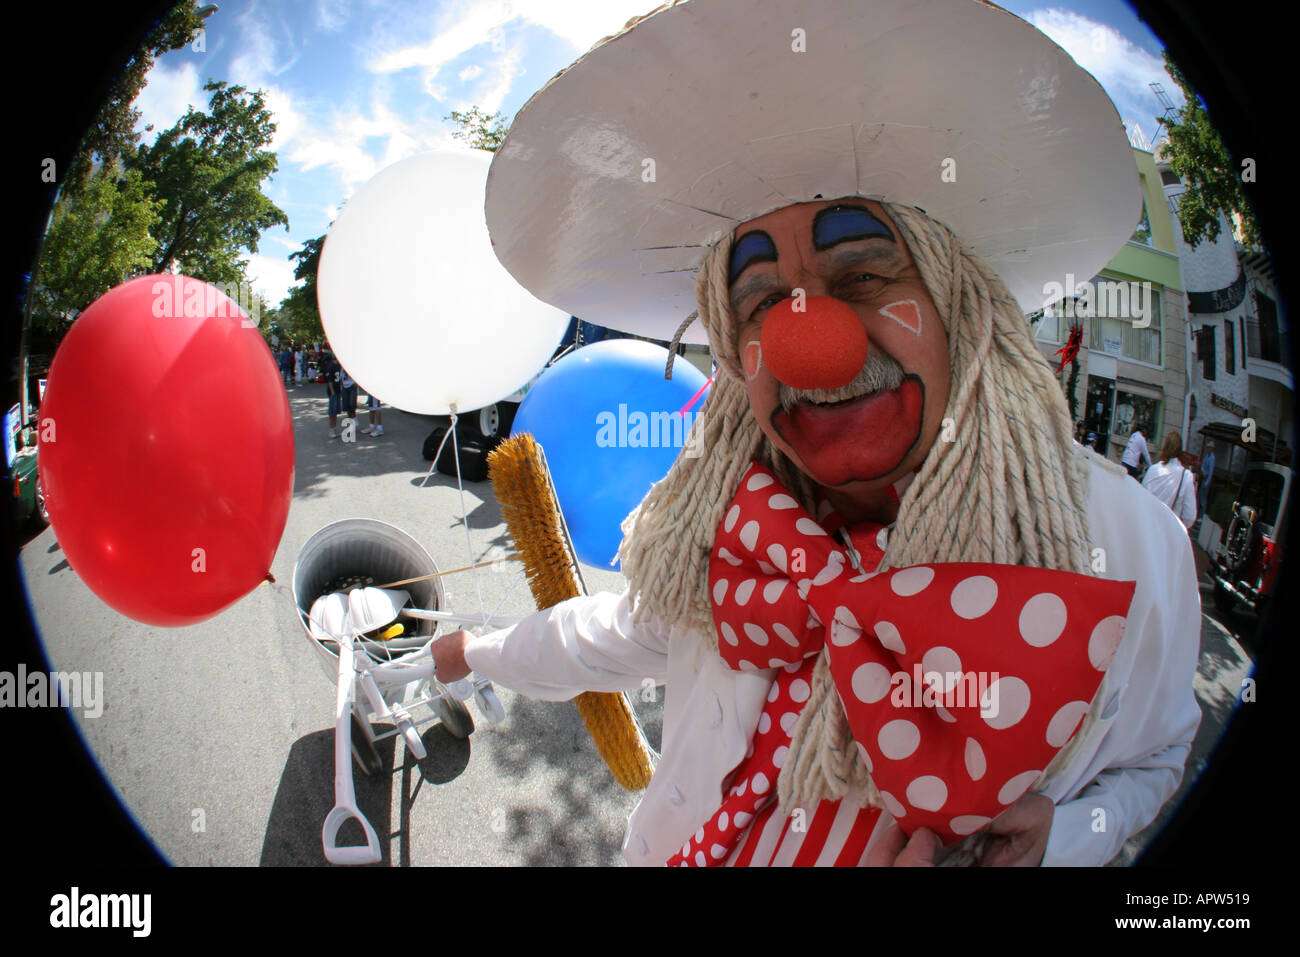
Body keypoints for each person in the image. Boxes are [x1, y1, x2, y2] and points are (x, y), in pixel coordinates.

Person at [431, 0, 1200, 867]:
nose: (810, 344)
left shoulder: (1132, 546)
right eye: (761, 302)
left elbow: (1160, 759)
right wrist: (478, 649)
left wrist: (1066, 837)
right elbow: (611, 635)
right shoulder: (726, 524)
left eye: (865, 274)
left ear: (962, 305)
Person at [1142, 432, 1198, 529]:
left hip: (1146, 527)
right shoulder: (1186, 476)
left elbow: (1141, 498)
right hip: (1168, 532)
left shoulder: (1153, 470)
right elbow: (1189, 516)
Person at [322, 349, 342, 437]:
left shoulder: (339, 366)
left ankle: (334, 428)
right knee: (332, 411)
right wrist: (332, 391)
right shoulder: (331, 367)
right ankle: (331, 429)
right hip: (333, 391)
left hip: (338, 390)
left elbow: (340, 378)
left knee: (336, 411)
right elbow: (329, 381)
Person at [1198, 443, 1216, 518]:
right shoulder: (1206, 456)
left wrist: (1207, 482)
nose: (1208, 449)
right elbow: (1202, 465)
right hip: (1203, 477)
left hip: (1207, 479)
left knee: (1203, 499)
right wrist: (1203, 471)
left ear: (1212, 449)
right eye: (1208, 447)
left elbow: (1211, 471)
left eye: (1209, 448)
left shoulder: (1212, 458)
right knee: (1199, 496)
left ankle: (1201, 516)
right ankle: (1198, 514)